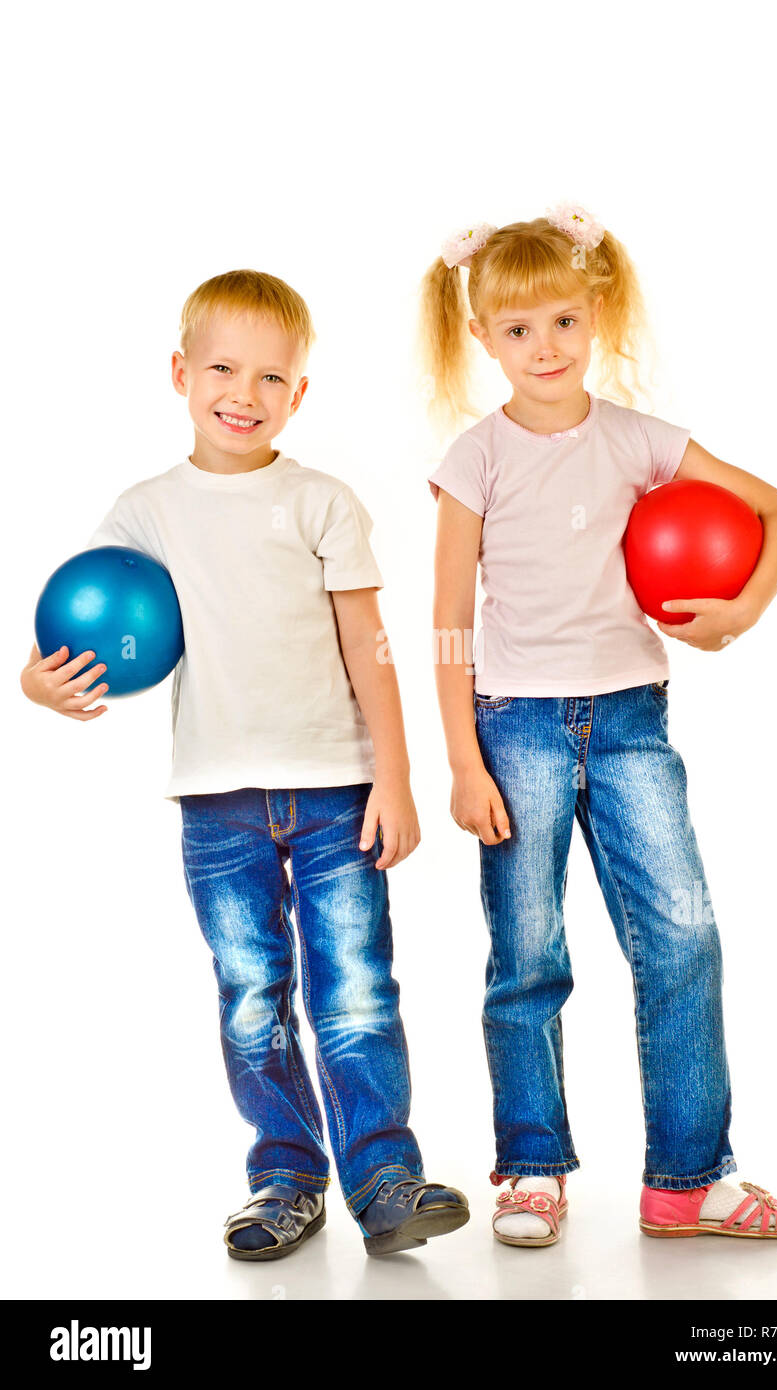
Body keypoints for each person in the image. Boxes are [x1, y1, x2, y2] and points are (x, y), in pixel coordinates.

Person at [21, 268, 469, 1260]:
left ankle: (384, 1178)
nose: (244, 392)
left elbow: (369, 648)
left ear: (297, 394)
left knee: (354, 989)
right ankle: (286, 1175)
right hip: (216, 805)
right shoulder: (146, 512)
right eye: (222, 367)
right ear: (180, 373)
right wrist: (36, 685)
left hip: (334, 796)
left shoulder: (320, 502)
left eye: (272, 377)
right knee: (249, 996)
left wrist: (392, 778)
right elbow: (79, 624)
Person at [419, 204, 777, 1246]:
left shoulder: (641, 439)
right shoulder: (476, 458)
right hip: (515, 728)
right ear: (482, 339)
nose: (542, 348)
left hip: (632, 721)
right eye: (515, 331)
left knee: (682, 934)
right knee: (528, 952)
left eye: (560, 321)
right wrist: (462, 757)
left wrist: (742, 609)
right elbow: (449, 619)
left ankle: (687, 1177)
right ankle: (531, 1166)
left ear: (594, 317)